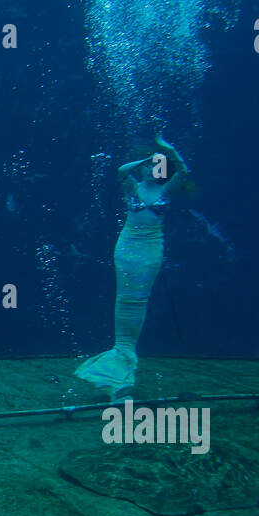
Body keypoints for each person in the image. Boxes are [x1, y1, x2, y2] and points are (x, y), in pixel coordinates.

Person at [74, 135, 191, 399]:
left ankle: (125, 356)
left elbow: (185, 171)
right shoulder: (133, 186)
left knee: (138, 300)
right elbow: (120, 170)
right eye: (150, 166)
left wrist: (170, 150)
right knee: (125, 300)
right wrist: (148, 157)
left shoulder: (166, 190)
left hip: (150, 250)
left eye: (157, 166)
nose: (152, 169)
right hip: (127, 247)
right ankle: (121, 354)